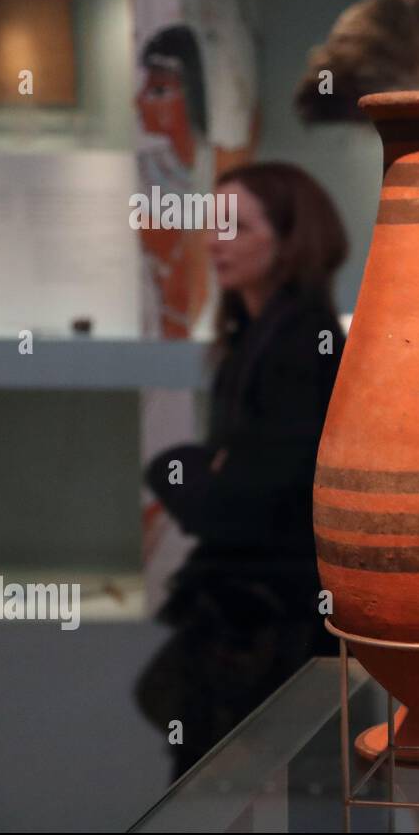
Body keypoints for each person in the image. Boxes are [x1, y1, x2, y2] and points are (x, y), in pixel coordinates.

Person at [137, 162, 348, 777]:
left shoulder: (298, 340)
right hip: (260, 629)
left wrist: (172, 465)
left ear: (288, 238)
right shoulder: (259, 334)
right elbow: (231, 484)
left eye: (235, 225)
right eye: (212, 224)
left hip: (275, 635)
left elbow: (233, 505)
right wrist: (205, 468)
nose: (212, 240)